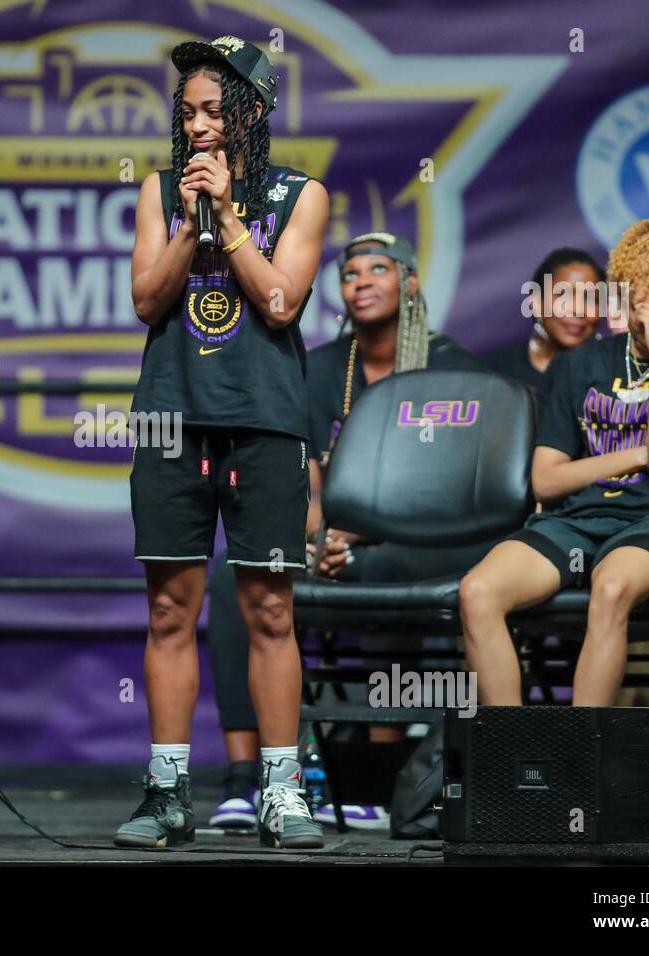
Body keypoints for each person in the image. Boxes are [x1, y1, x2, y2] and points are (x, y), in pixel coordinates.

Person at [119, 34, 328, 849]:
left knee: (270, 608)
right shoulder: (159, 190)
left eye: (214, 110)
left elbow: (281, 303)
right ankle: (168, 791)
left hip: (266, 420)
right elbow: (145, 301)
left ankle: (282, 790)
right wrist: (189, 224)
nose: (198, 127)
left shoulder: (299, 195)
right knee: (170, 608)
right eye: (188, 112)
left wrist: (231, 218)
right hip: (173, 416)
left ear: (252, 112)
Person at [206, 231, 485, 832]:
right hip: (327, 534)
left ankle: (378, 774)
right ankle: (242, 776)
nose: (360, 282)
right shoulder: (322, 366)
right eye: (350, 273)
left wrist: (353, 541)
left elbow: (453, 489)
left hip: (423, 541)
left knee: (378, 570)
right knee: (234, 580)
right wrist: (318, 537)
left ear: (410, 282)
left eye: (377, 269)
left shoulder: (451, 366)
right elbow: (298, 470)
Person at [459, 218, 649, 706]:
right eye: (640, 299)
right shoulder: (579, 364)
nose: (647, 314)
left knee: (610, 590)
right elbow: (547, 481)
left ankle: (580, 757)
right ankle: (509, 753)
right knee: (478, 592)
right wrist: (635, 454)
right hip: (577, 520)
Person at [480, 248, 606, 394]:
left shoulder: (613, 375)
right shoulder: (495, 372)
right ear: (537, 302)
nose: (578, 310)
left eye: (591, 299)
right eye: (564, 295)